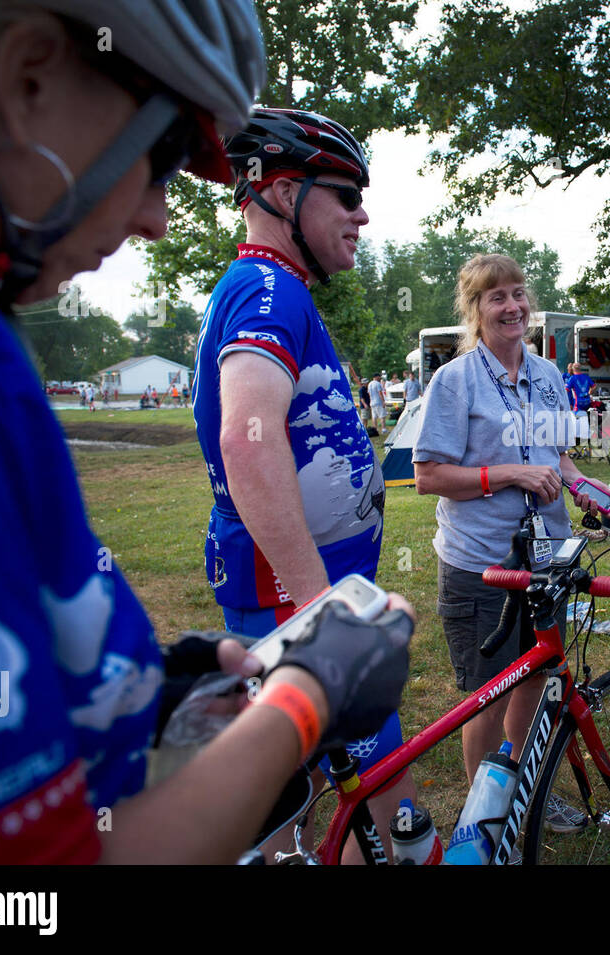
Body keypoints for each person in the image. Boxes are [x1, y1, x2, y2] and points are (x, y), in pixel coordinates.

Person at [0, 0, 410, 865]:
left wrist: (141, 686)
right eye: (163, 157)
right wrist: (307, 691)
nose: (159, 218)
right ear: (28, 76)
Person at [192, 105, 413, 856]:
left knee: (318, 809)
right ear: (284, 194)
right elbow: (246, 441)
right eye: (346, 194)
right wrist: (322, 611)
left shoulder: (273, 286)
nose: (362, 214)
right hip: (296, 601)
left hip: (295, 593)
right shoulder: (268, 290)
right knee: (394, 816)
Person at [413, 253, 610, 826]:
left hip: (545, 562)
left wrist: (579, 484)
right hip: (482, 567)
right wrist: (508, 474)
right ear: (474, 311)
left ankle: (524, 789)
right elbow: (428, 476)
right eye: (496, 297)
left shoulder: (549, 374)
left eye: (518, 294)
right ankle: (483, 817)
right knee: (489, 694)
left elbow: (556, 455)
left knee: (533, 679)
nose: (512, 306)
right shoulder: (454, 381)